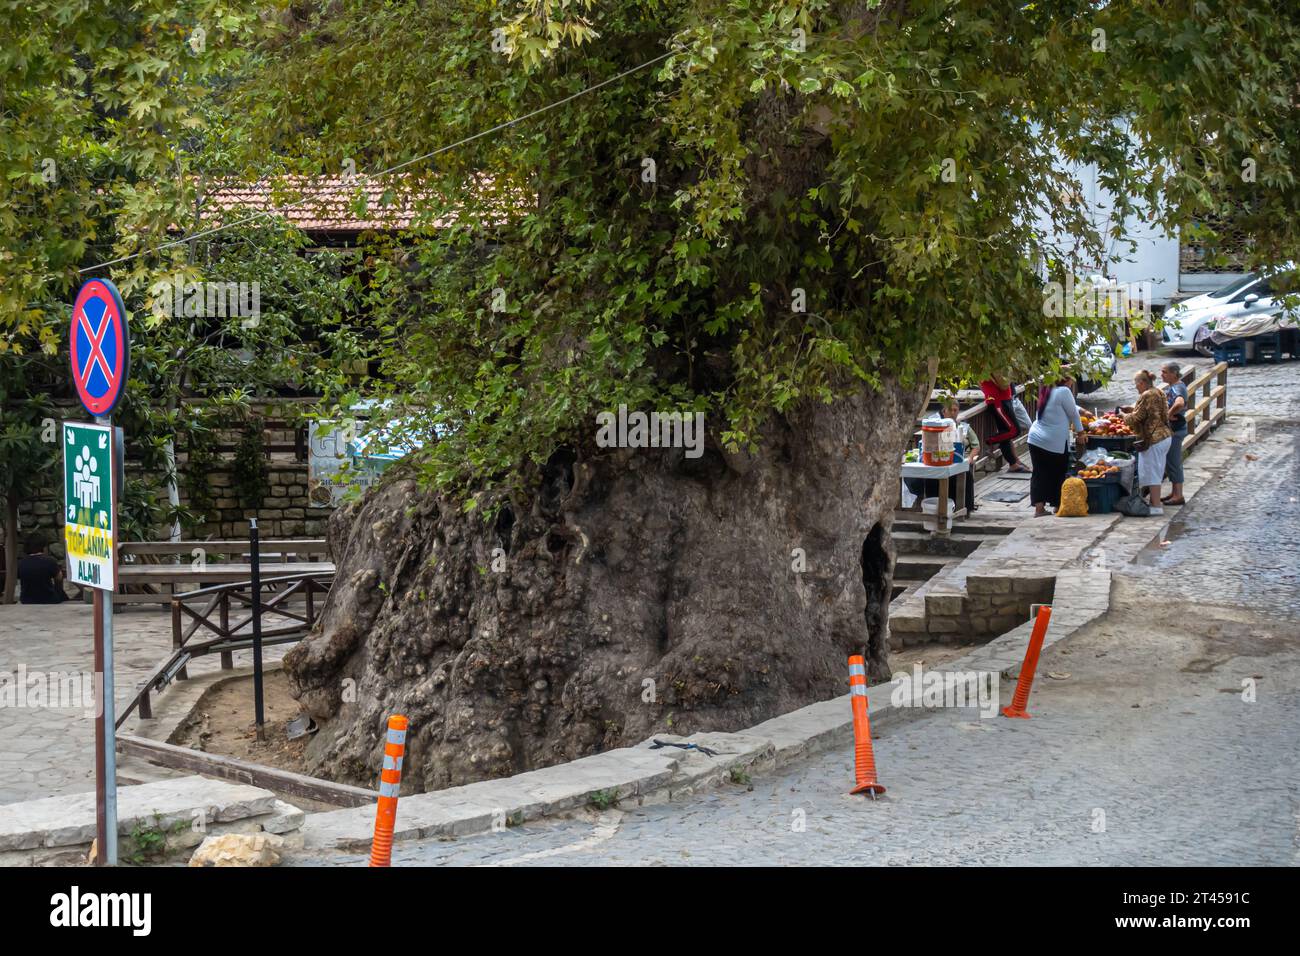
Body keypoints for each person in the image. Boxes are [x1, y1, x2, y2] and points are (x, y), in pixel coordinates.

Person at [1027, 370, 1086, 517]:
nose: (1073, 382)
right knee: (1058, 472)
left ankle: (1039, 509)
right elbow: (1073, 413)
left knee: (1039, 473)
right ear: (1066, 380)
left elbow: (1064, 406)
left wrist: (1082, 410)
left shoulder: (1047, 391)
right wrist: (1081, 433)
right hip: (1053, 440)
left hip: (1035, 438)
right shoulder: (1064, 391)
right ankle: (1057, 505)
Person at [1121, 369, 1173, 516]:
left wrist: (1123, 415)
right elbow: (1151, 412)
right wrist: (1132, 409)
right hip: (1165, 436)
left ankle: (1156, 506)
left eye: (1136, 384)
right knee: (1157, 469)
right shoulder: (1158, 392)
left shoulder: (1146, 394)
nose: (1136, 387)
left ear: (1143, 382)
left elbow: (1135, 418)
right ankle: (1154, 503)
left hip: (1154, 438)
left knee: (1152, 472)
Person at [979, 375, 1028, 473]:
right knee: (1014, 430)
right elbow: (1004, 384)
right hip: (998, 401)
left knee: (1005, 432)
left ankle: (1013, 463)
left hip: (1002, 399)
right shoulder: (992, 364)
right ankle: (990, 441)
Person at [1160, 361, 1188, 506]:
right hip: (1175, 429)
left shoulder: (1178, 387)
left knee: (1174, 462)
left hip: (1176, 430)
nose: (1162, 374)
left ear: (1173, 373)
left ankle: (1178, 495)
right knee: (1171, 461)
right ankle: (1174, 492)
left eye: (1164, 372)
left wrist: (1168, 415)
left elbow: (1179, 403)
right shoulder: (1174, 386)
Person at [17, 534, 67, 604]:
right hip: (48, 599)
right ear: (44, 547)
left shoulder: (21, 563)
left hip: (26, 600)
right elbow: (59, 577)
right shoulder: (50, 561)